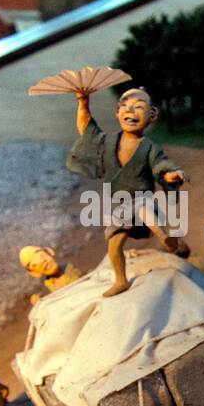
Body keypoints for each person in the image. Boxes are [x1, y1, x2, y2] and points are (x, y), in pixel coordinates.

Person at [65, 86, 187, 297]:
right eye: (125, 106)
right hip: (117, 205)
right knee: (113, 246)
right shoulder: (107, 142)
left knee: (146, 211)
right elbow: (87, 130)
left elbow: (161, 164)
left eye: (139, 107)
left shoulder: (149, 146)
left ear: (152, 116)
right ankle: (121, 280)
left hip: (141, 198)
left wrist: (170, 175)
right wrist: (83, 103)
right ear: (117, 112)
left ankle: (168, 237)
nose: (131, 111)